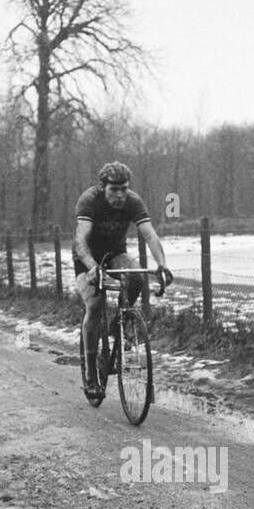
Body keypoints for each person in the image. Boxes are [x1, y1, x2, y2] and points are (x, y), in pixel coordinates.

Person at [73, 161, 172, 397]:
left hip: (116, 254)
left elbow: (149, 234)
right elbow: (80, 239)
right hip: (86, 258)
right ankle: (90, 375)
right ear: (103, 187)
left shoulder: (133, 201)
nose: (119, 195)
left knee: (138, 278)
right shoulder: (89, 200)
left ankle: (120, 322)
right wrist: (92, 267)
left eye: (123, 189)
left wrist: (162, 264)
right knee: (94, 305)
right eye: (113, 190)